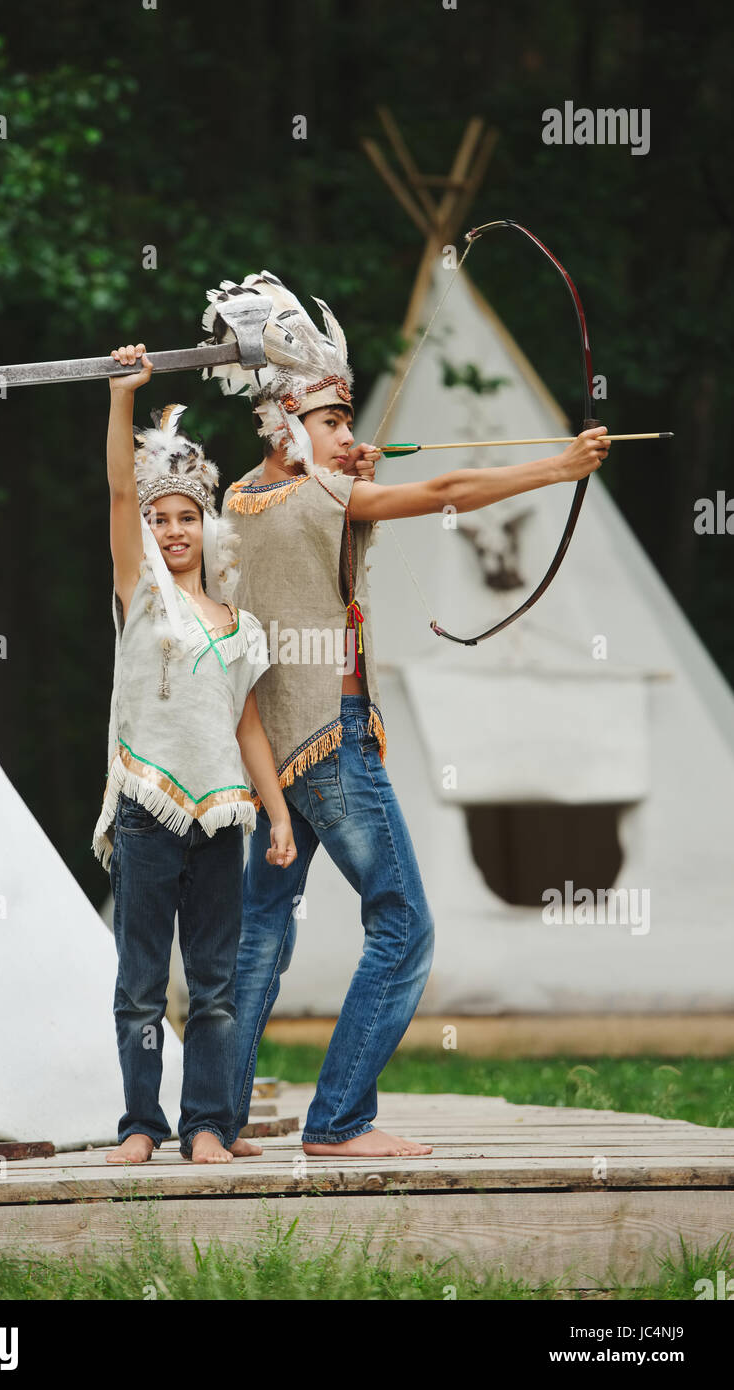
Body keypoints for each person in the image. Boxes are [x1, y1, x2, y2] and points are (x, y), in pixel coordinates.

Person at [199, 270, 610, 1158]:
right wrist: (558, 465)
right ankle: (340, 1121)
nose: (346, 437)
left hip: (277, 752)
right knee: (404, 925)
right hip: (334, 744)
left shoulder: (240, 500)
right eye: (329, 423)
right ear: (280, 426)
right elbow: (448, 491)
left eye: (346, 423)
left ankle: (217, 1125)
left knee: (263, 931)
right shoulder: (312, 495)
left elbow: (314, 562)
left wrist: (348, 491)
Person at [92, 343, 297, 1165]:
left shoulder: (237, 625)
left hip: (221, 816)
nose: (171, 531)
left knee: (213, 989)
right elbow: (116, 485)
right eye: (158, 519)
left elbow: (248, 726)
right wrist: (121, 399)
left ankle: (208, 1123)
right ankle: (142, 1125)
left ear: (205, 526)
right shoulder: (141, 598)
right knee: (143, 988)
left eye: (184, 518)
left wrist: (277, 814)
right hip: (147, 811)